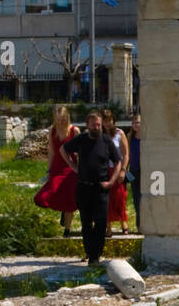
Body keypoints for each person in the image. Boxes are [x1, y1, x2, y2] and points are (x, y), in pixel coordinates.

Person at [60, 111, 122, 266]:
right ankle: (90, 252)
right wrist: (73, 167)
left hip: (101, 188)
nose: (97, 127)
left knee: (101, 222)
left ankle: (96, 255)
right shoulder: (80, 140)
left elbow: (118, 162)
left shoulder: (107, 141)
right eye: (94, 124)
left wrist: (111, 181)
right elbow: (63, 150)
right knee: (86, 222)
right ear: (88, 125)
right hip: (84, 187)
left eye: (99, 124)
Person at [33, 104, 79, 235]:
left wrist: (79, 168)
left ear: (67, 117)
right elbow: (52, 152)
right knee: (48, 194)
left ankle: (67, 229)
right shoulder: (52, 130)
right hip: (57, 167)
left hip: (70, 168)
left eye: (63, 118)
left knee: (69, 199)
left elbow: (80, 152)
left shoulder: (74, 131)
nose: (61, 122)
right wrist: (49, 171)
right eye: (58, 119)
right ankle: (63, 213)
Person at [102, 108, 129, 237]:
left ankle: (124, 223)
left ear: (113, 121)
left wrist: (123, 170)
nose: (107, 123)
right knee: (107, 199)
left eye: (109, 120)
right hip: (104, 170)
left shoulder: (120, 133)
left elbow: (126, 154)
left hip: (117, 169)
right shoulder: (99, 135)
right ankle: (108, 227)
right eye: (105, 121)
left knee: (120, 197)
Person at [127, 112, 142, 232]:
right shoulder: (129, 137)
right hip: (133, 171)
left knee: (145, 198)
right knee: (136, 198)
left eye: (138, 122)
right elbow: (127, 155)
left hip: (145, 172)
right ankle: (139, 225)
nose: (136, 125)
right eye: (134, 123)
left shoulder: (146, 137)